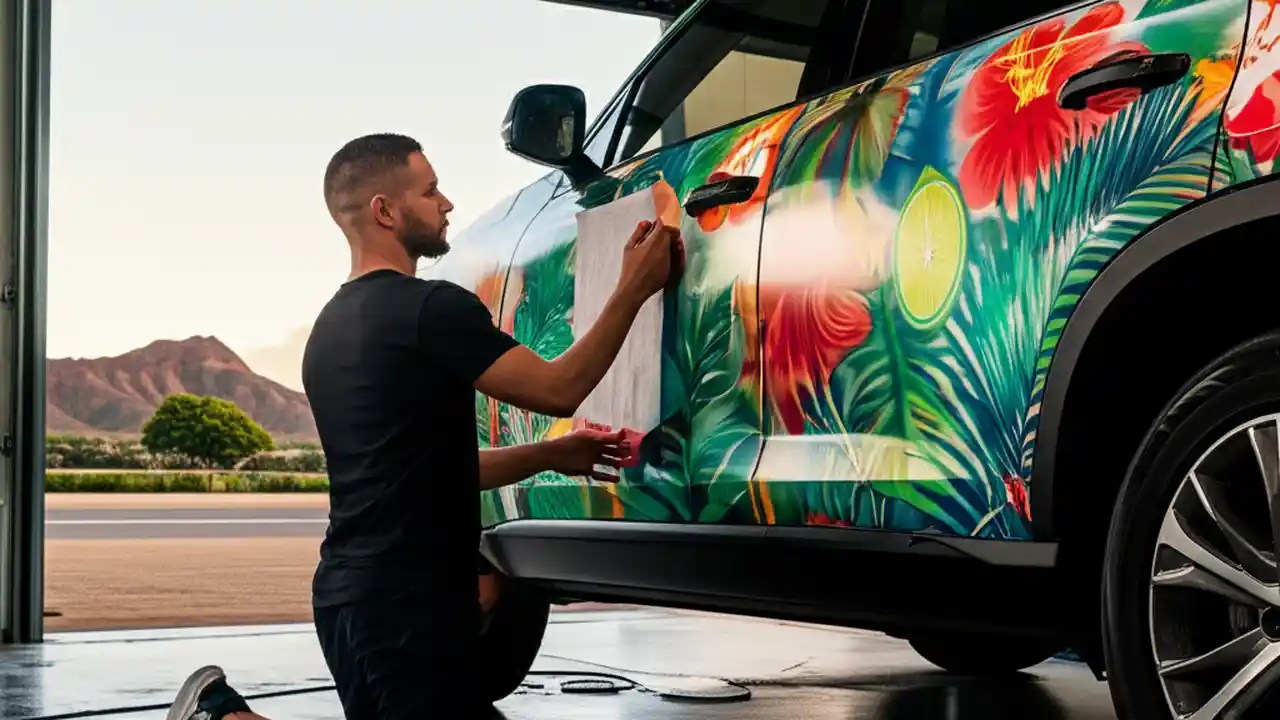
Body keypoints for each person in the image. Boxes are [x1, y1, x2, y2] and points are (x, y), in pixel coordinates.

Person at [163, 133, 683, 720]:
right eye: (430, 190)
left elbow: (423, 468)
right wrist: (633, 288)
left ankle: (220, 715)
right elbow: (560, 387)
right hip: (405, 606)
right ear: (385, 210)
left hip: (351, 597)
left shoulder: (329, 330)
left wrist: (550, 455)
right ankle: (221, 718)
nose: (447, 203)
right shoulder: (431, 309)